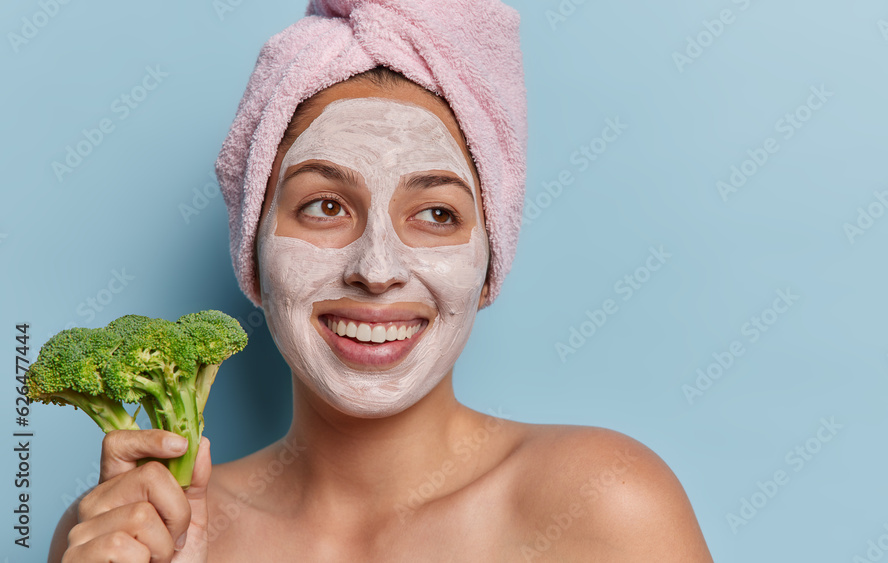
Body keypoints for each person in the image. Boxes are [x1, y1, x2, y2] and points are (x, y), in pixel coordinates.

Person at [50, 2, 714, 561]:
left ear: (490, 261)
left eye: (435, 213)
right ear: (251, 251)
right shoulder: (132, 531)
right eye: (325, 206)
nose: (376, 268)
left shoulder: (605, 504)